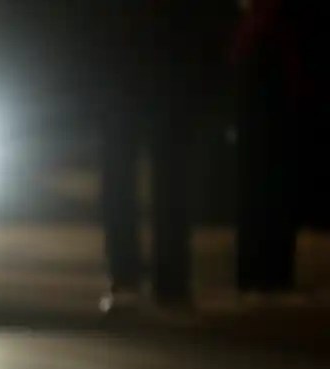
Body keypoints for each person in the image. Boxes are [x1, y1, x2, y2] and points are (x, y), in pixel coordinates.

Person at [95, 1, 235, 312]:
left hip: (161, 62)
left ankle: (158, 279)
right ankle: (141, 277)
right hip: (134, 63)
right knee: (139, 176)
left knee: (161, 177)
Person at [234, 0, 328, 301]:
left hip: (274, 90)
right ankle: (263, 271)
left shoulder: (272, 23)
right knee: (266, 185)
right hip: (269, 90)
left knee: (269, 185)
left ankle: (265, 271)